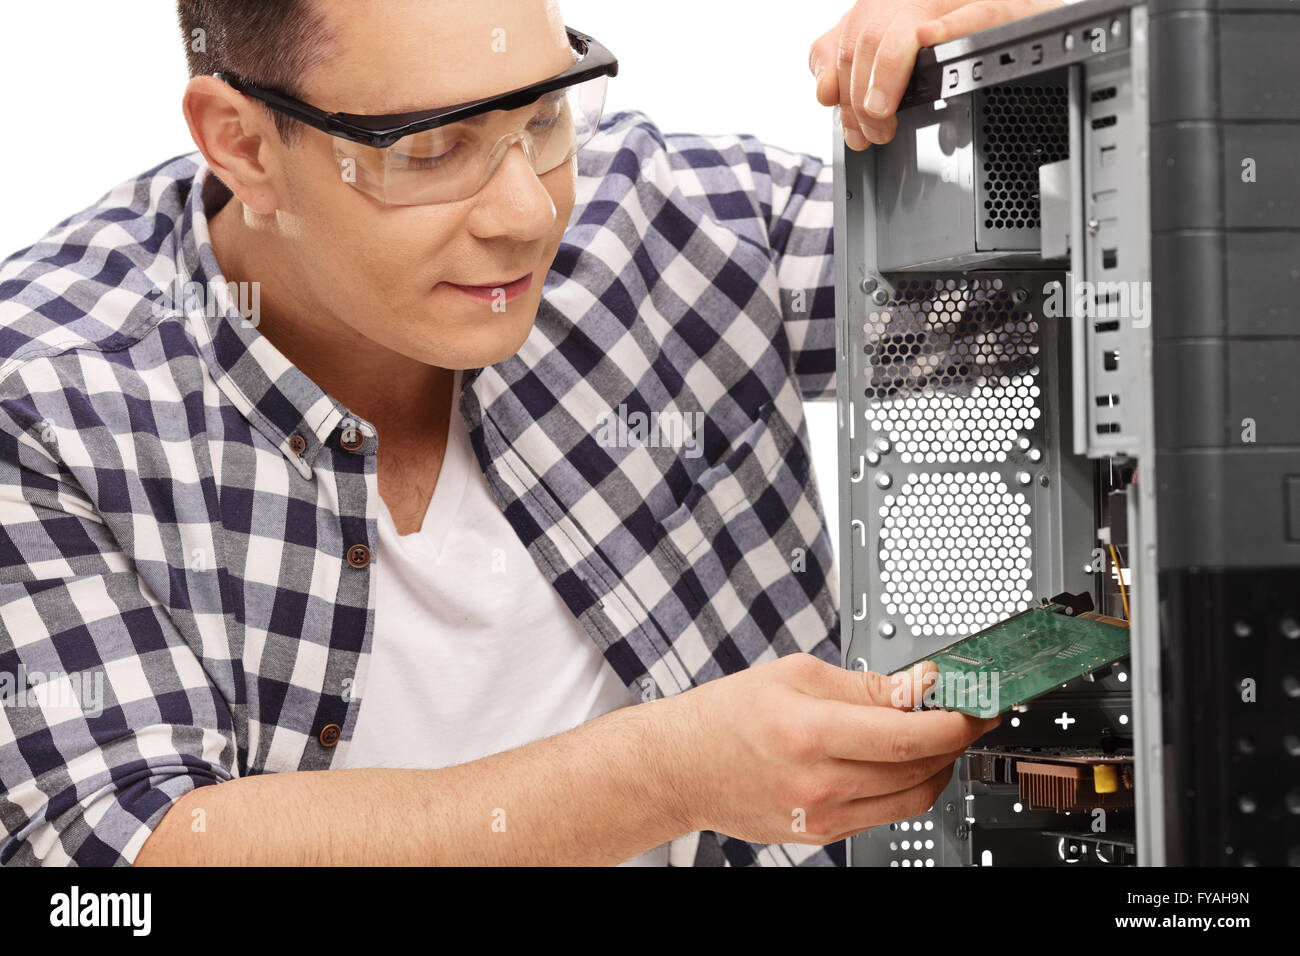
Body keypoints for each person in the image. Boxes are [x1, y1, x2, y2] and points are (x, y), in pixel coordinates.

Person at [0, 0, 1056, 866]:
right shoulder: (50, 395)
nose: (525, 213)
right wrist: (665, 772)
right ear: (243, 145)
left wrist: (1042, 66)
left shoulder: (679, 221)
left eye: (545, 117)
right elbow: (124, 853)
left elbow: (1065, 302)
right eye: (433, 147)